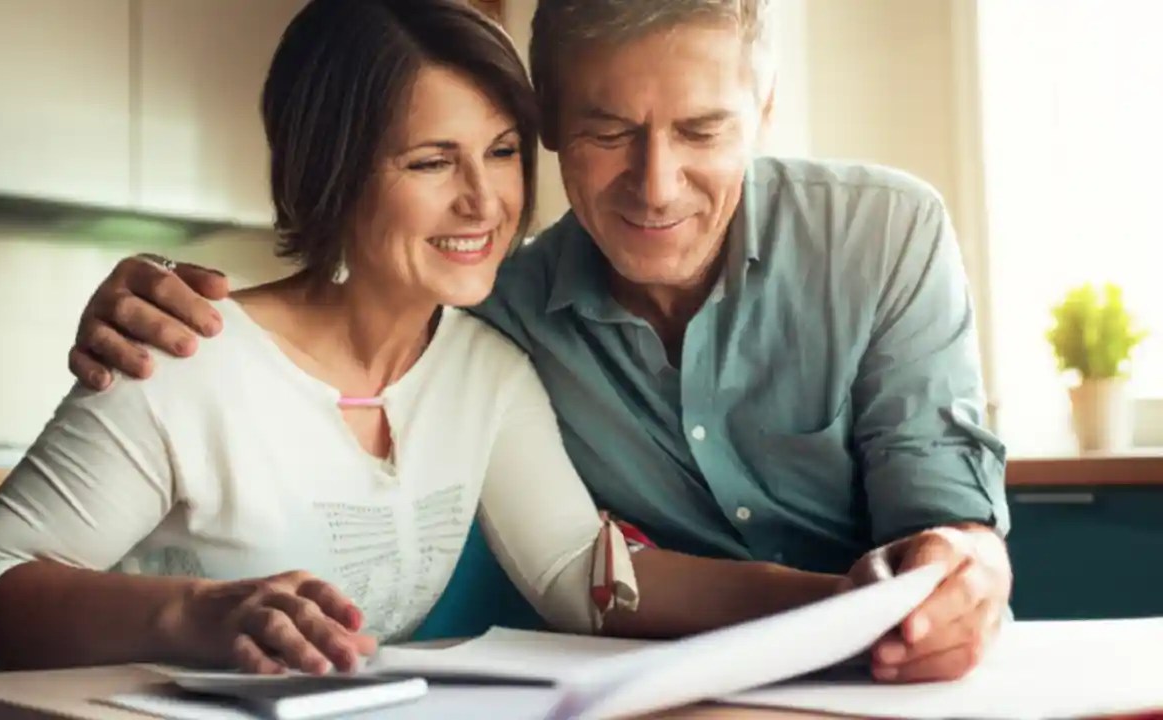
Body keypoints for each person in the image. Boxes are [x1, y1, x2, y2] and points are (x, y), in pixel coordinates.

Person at [64, 0, 1015, 684]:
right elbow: (348, 298)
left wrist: (942, 576)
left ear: (762, 116)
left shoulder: (884, 234)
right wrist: (147, 283)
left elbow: (943, 504)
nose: (656, 183)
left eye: (702, 130)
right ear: (553, 124)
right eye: (608, 133)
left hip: (896, 681)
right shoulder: (490, 306)